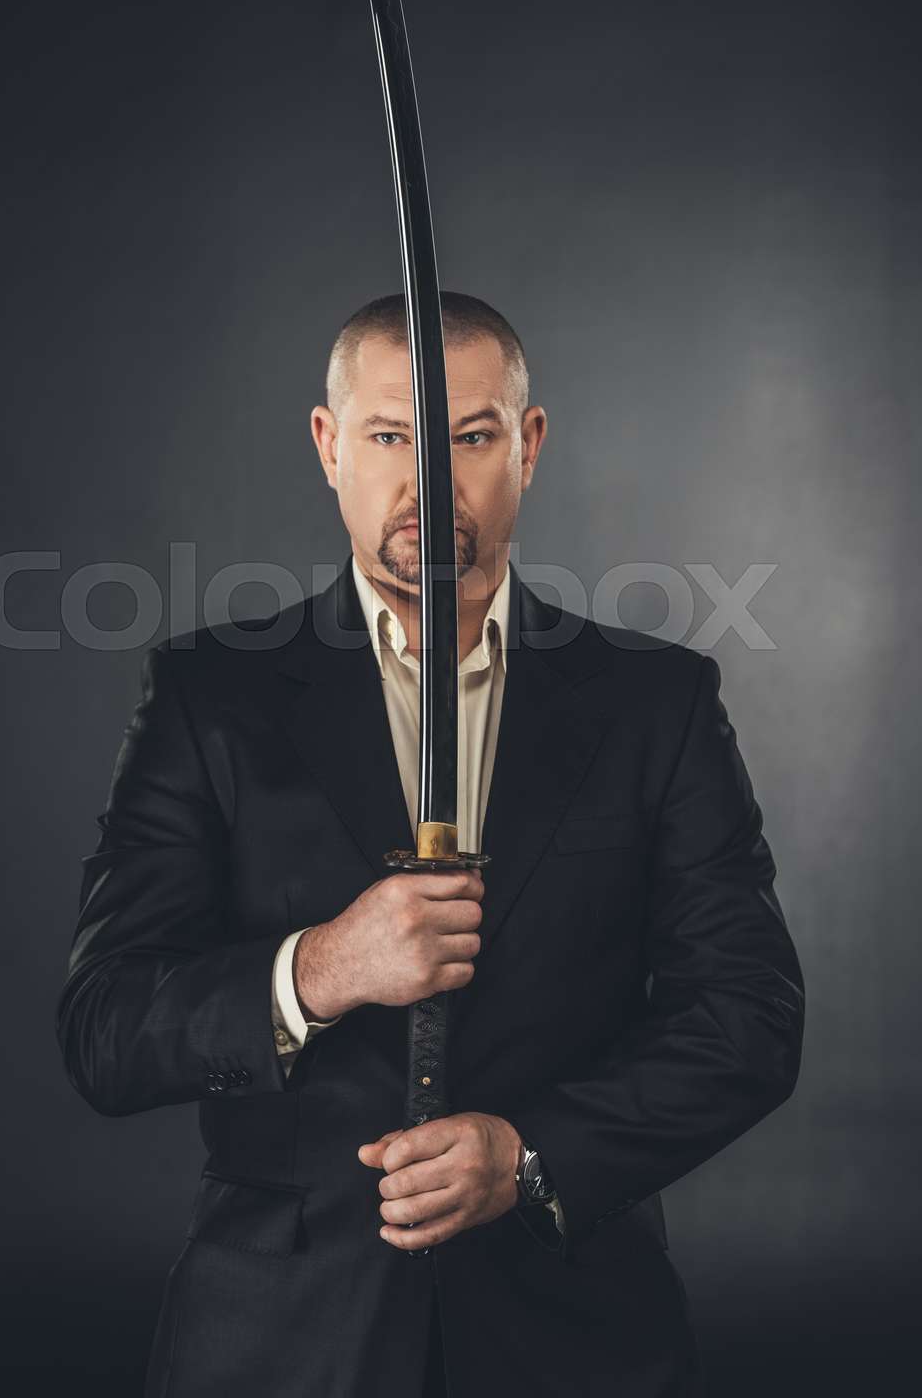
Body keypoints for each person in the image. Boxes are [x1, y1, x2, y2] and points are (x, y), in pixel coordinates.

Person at [55, 291, 804, 1397]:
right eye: (390, 436)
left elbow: (749, 1018)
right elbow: (106, 1030)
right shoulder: (209, 699)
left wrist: (532, 1156)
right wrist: (322, 968)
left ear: (529, 445)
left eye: (472, 436)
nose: (431, 480)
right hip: (283, 1341)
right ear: (329, 446)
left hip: (576, 1341)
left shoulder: (659, 705)